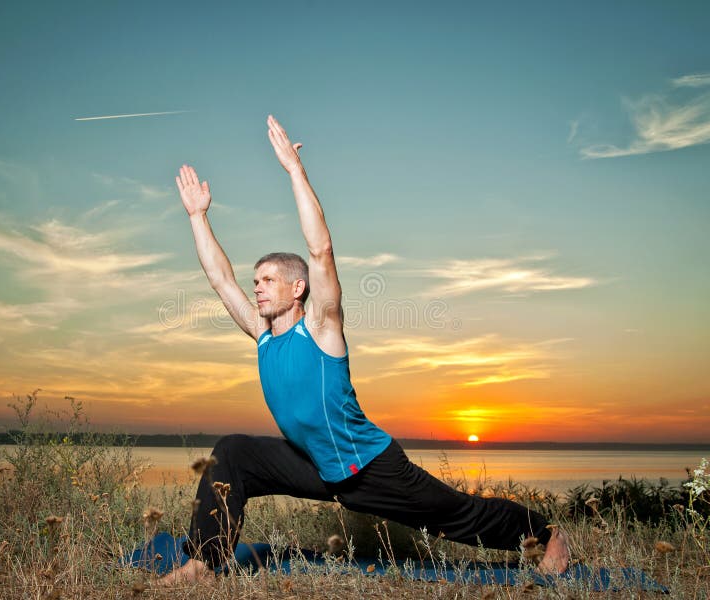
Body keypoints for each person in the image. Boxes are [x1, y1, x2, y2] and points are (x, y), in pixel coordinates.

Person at [161, 115, 570, 583]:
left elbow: (322, 251)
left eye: (268, 280)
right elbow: (219, 279)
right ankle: (203, 563)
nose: (256, 288)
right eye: (256, 281)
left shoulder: (321, 326)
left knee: (454, 515)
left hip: (367, 467)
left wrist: (296, 172)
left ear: (299, 288)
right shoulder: (263, 335)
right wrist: (197, 216)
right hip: (312, 464)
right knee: (231, 452)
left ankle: (547, 532)